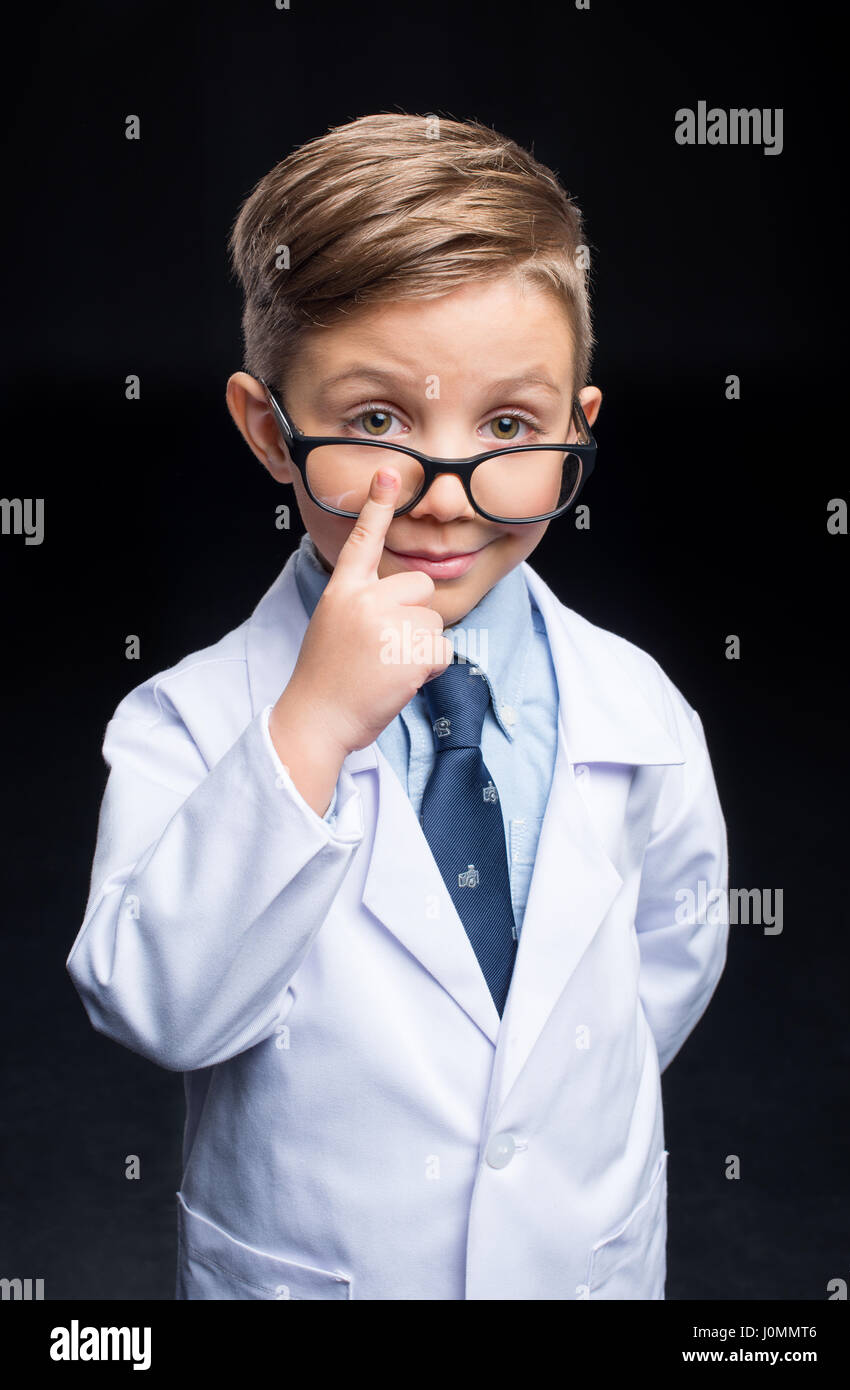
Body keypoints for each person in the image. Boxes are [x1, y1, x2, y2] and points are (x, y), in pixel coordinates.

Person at [66, 112, 729, 1300]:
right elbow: (162, 1006)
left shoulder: (638, 709)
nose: (441, 494)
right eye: (376, 422)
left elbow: (662, 968)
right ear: (269, 430)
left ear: (580, 428)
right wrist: (310, 727)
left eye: (509, 427)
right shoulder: (191, 720)